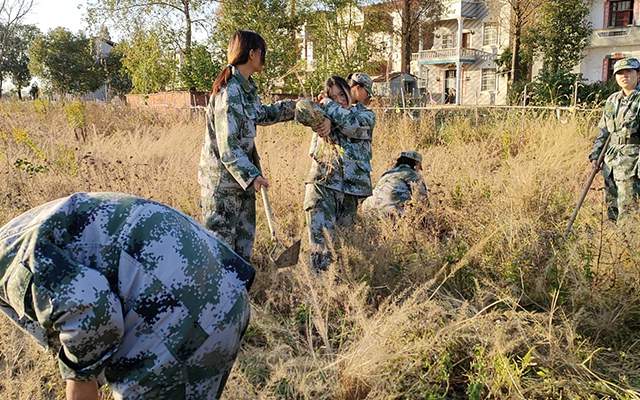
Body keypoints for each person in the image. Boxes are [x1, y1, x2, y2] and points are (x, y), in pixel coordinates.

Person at [0, 192, 255, 399]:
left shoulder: (14, 266)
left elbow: (92, 310)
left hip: (182, 317)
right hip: (225, 293)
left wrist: (80, 377)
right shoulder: (14, 237)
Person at [198, 30, 325, 261]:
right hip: (224, 185)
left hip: (242, 184)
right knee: (220, 253)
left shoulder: (245, 88)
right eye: (263, 52)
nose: (264, 58)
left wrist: (297, 107)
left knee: (242, 250)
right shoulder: (230, 91)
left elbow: (263, 114)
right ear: (253, 54)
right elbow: (229, 147)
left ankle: (240, 294)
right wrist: (252, 176)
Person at [297, 74, 375, 271]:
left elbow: (351, 125)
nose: (339, 100)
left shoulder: (366, 116)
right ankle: (319, 296)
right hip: (323, 187)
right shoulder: (321, 114)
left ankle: (339, 297)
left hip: (349, 193)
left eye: (342, 94)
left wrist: (329, 109)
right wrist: (323, 111)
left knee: (342, 250)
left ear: (350, 92)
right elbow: (302, 110)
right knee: (320, 251)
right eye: (333, 97)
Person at [589, 57, 640, 221]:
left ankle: (627, 243)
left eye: (628, 72)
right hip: (610, 160)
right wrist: (596, 155)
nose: (624, 76)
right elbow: (604, 131)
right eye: (619, 73)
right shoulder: (612, 100)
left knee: (628, 207)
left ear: (638, 74)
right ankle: (613, 241)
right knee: (612, 205)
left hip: (632, 162)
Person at [362, 151, 428, 216]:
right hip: (390, 210)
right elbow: (422, 200)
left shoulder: (387, 173)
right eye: (419, 167)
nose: (418, 170)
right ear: (416, 163)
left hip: (368, 209)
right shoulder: (413, 175)